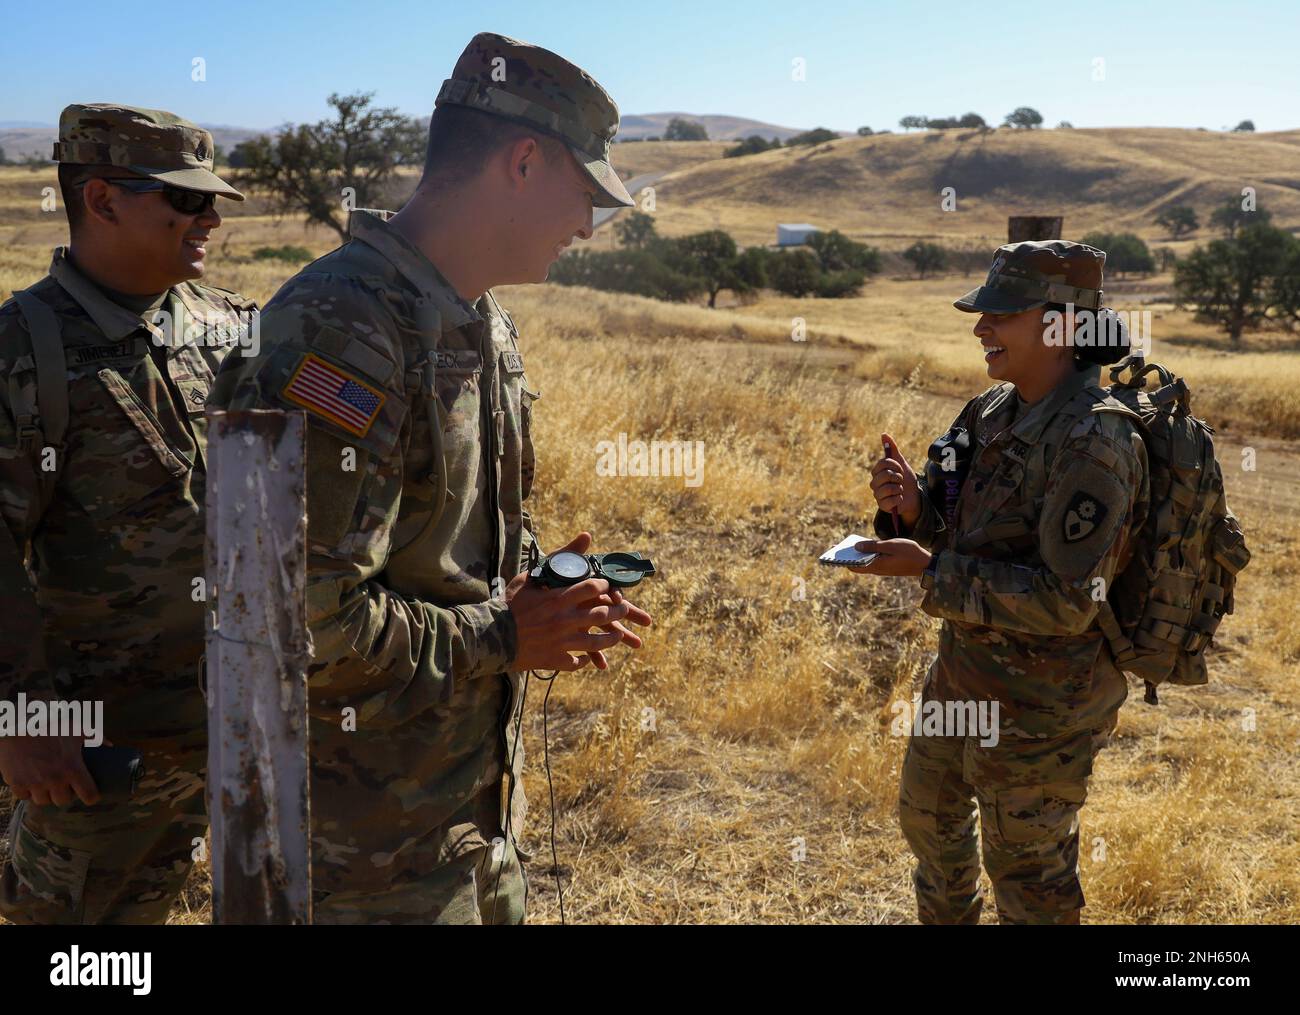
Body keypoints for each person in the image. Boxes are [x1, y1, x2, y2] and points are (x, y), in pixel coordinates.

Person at [208, 32, 652, 925]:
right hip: (346, 864)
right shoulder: (337, 330)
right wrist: (502, 635)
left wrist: (539, 590)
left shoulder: (480, 323)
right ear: (523, 160)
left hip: (460, 830)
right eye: (587, 197)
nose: (585, 226)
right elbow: (295, 622)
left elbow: (441, 553)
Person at [0, 104, 253, 923]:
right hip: (93, 748)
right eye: (183, 200)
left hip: (227, 716)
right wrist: (23, 718)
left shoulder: (233, 329)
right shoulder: (21, 351)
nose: (208, 217)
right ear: (101, 199)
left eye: (210, 199)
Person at [853, 240, 1150, 924]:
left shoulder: (1097, 440)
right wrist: (910, 508)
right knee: (928, 823)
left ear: (1062, 326)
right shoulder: (988, 411)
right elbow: (948, 515)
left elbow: (1073, 600)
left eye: (1002, 314)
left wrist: (930, 570)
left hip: (1044, 708)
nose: (981, 327)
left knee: (1029, 881)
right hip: (962, 677)